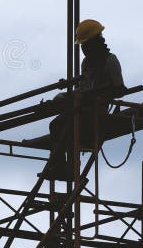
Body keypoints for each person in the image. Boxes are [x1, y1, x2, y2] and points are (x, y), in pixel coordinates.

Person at [44, 19, 125, 180]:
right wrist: (64, 96)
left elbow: (120, 89)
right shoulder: (87, 63)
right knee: (56, 125)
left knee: (68, 127)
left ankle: (71, 168)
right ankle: (60, 167)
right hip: (81, 111)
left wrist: (93, 95)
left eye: (85, 45)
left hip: (97, 114)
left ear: (95, 43)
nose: (83, 49)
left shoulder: (110, 60)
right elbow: (83, 88)